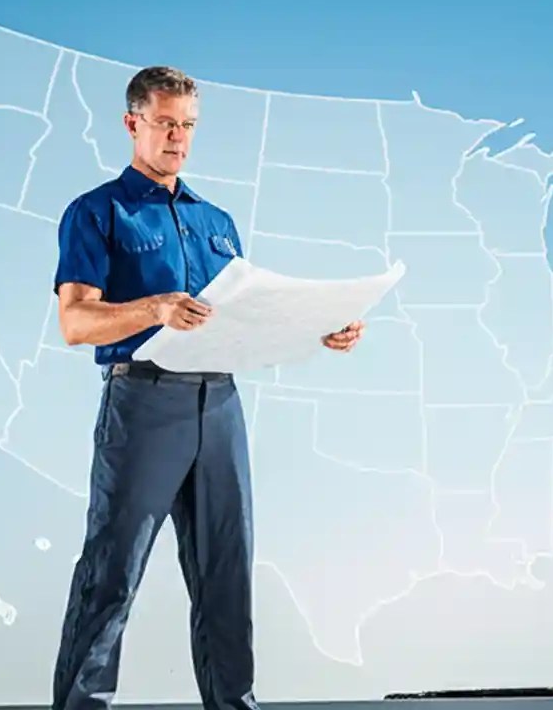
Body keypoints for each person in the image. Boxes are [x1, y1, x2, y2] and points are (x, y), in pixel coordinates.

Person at [48, 66, 365, 710]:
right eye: (165, 123)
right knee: (112, 573)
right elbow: (75, 322)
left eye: (188, 126)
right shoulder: (97, 212)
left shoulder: (217, 220)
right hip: (143, 404)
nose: (178, 138)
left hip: (219, 406)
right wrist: (154, 308)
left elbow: (248, 315)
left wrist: (323, 328)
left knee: (227, 574)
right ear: (132, 123)